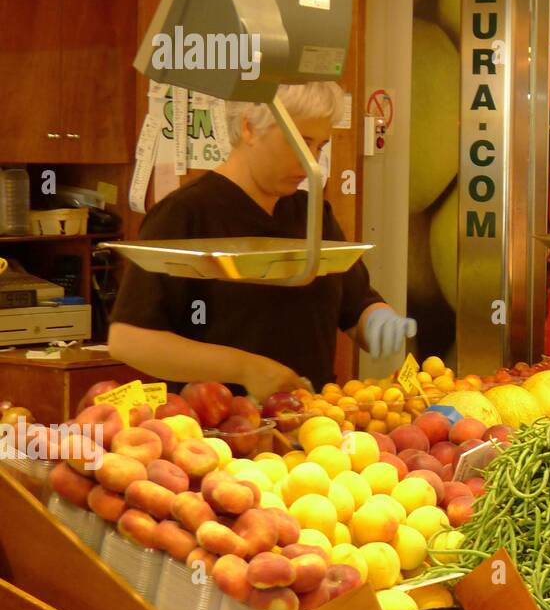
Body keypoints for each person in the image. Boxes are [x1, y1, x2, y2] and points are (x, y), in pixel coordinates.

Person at [108, 82, 415, 402]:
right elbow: (130, 339)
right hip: (216, 433)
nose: (311, 161)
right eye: (299, 143)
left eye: (319, 147)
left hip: (312, 427)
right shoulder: (186, 213)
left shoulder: (311, 213)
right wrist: (244, 369)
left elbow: (356, 305)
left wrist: (379, 322)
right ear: (249, 128)